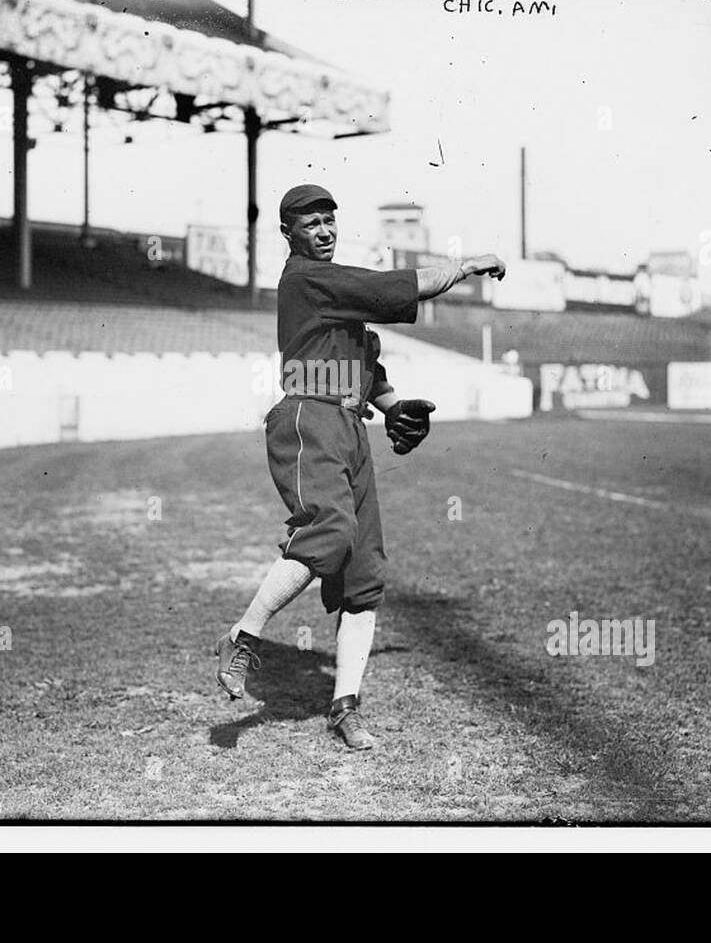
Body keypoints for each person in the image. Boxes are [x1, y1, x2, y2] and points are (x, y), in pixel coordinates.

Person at [214, 183, 506, 748]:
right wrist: (467, 264)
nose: (323, 231)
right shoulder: (305, 278)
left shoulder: (337, 302)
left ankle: (344, 706)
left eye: (329, 221)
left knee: (364, 574)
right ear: (288, 235)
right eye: (311, 223)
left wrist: (396, 408)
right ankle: (244, 636)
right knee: (330, 530)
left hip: (349, 426)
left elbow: (368, 373)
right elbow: (399, 287)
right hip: (308, 418)